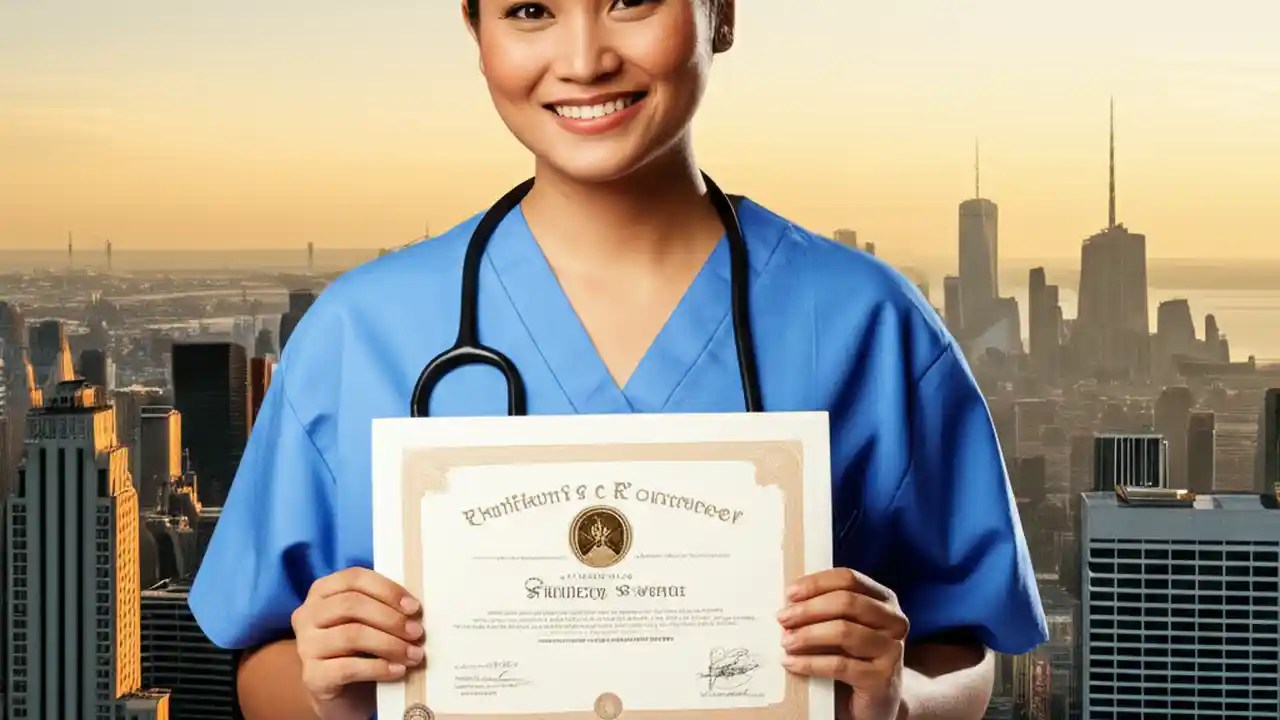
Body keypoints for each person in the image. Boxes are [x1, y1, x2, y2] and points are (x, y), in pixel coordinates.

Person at [188, 1, 1048, 718]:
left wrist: (896, 701)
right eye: (530, 10)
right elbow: (260, 658)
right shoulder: (358, 331)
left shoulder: (868, 321)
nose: (584, 57)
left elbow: (968, 651)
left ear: (721, 14)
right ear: (476, 32)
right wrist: (329, 693)